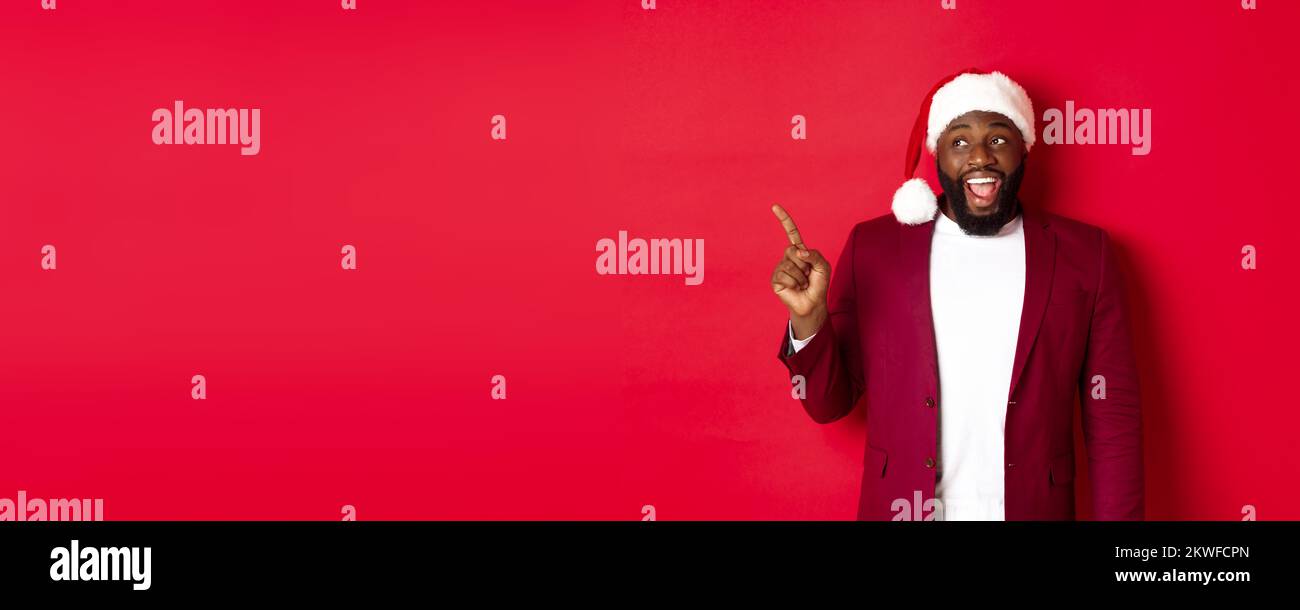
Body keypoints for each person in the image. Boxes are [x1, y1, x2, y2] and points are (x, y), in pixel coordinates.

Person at [770, 68, 1143, 520]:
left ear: (1023, 149)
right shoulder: (876, 248)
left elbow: (1113, 422)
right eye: (960, 140)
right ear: (939, 154)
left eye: (999, 138)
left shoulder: (1087, 255)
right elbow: (828, 404)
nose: (980, 157)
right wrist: (809, 321)